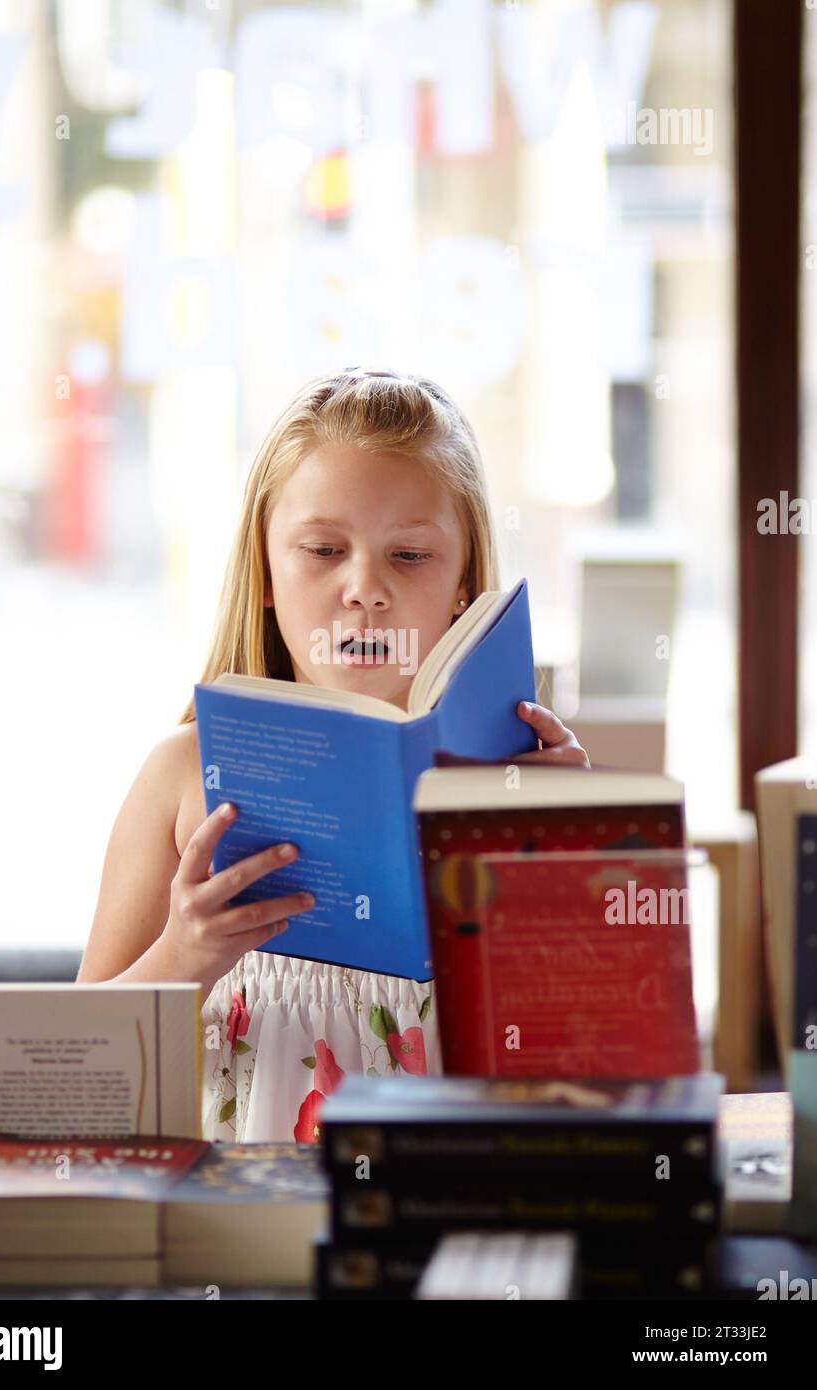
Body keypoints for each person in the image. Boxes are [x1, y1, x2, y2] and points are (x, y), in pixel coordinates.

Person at [77, 367, 589, 1143]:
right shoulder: (180, 777)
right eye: (322, 549)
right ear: (268, 571)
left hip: (448, 1196)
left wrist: (569, 863)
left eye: (410, 556)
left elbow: (586, 1056)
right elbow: (73, 1064)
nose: (365, 589)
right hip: (232, 1226)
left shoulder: (514, 776)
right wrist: (187, 952)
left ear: (463, 583)